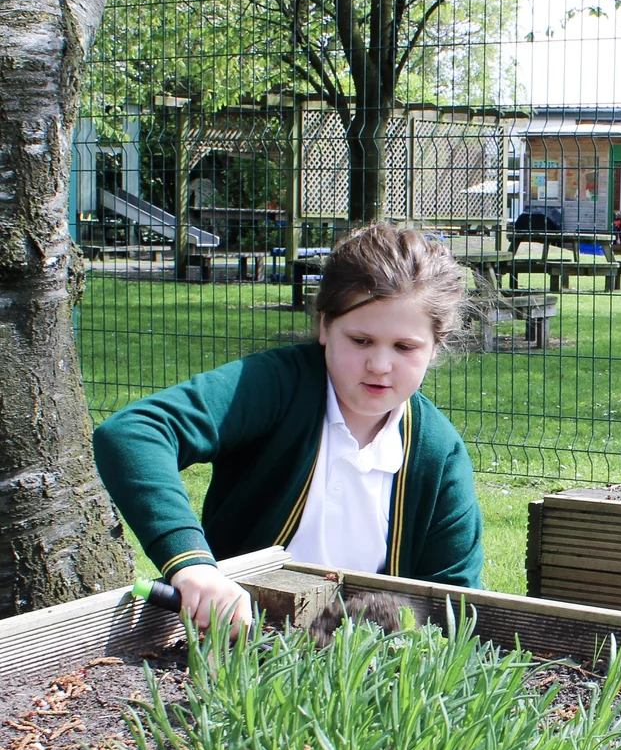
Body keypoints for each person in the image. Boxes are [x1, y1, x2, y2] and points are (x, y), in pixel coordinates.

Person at [94, 222, 485, 635]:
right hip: (235, 646)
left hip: (366, 670)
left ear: (435, 346)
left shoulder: (438, 453)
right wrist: (192, 566)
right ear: (324, 326)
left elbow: (455, 600)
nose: (379, 365)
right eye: (361, 340)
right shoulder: (276, 386)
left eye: (404, 347)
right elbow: (135, 432)